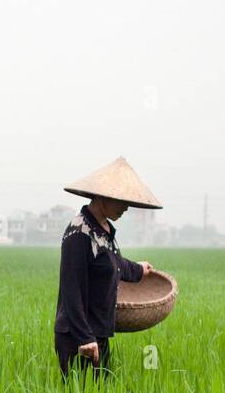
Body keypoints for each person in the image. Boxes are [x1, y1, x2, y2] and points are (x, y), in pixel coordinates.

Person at [54, 156, 162, 377]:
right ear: (103, 197)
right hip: (78, 337)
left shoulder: (104, 231)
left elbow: (114, 264)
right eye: (121, 201)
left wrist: (139, 269)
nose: (126, 208)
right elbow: (71, 289)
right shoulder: (79, 232)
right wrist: (84, 338)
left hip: (97, 334)